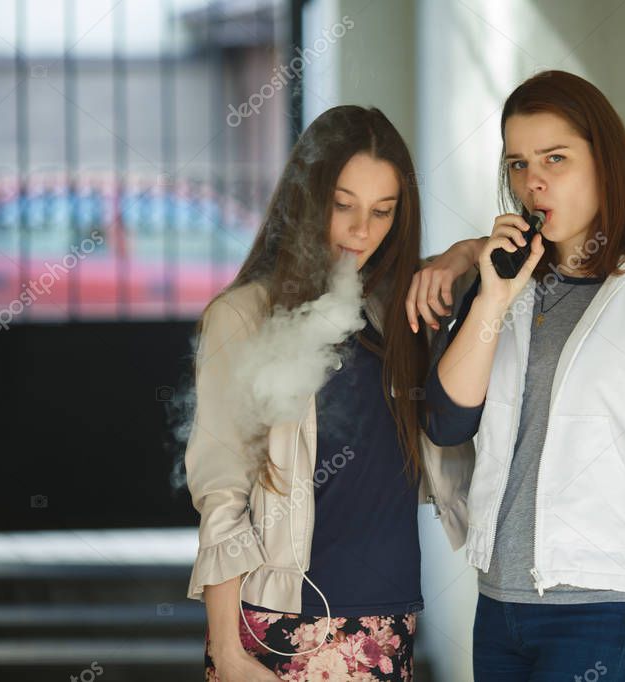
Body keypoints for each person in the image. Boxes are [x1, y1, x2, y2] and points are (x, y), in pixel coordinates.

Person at [419, 71, 625, 681]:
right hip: (499, 608)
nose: (532, 182)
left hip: (609, 612)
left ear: (604, 162)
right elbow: (447, 420)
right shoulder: (505, 286)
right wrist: (489, 299)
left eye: (555, 158)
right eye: (516, 164)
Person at [184, 105, 478, 681]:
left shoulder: (402, 309)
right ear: (307, 198)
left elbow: (497, 264)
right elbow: (222, 492)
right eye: (343, 205)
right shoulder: (242, 317)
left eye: (382, 211)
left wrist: (459, 254)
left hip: (385, 623)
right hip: (275, 626)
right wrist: (227, 649)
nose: (360, 230)